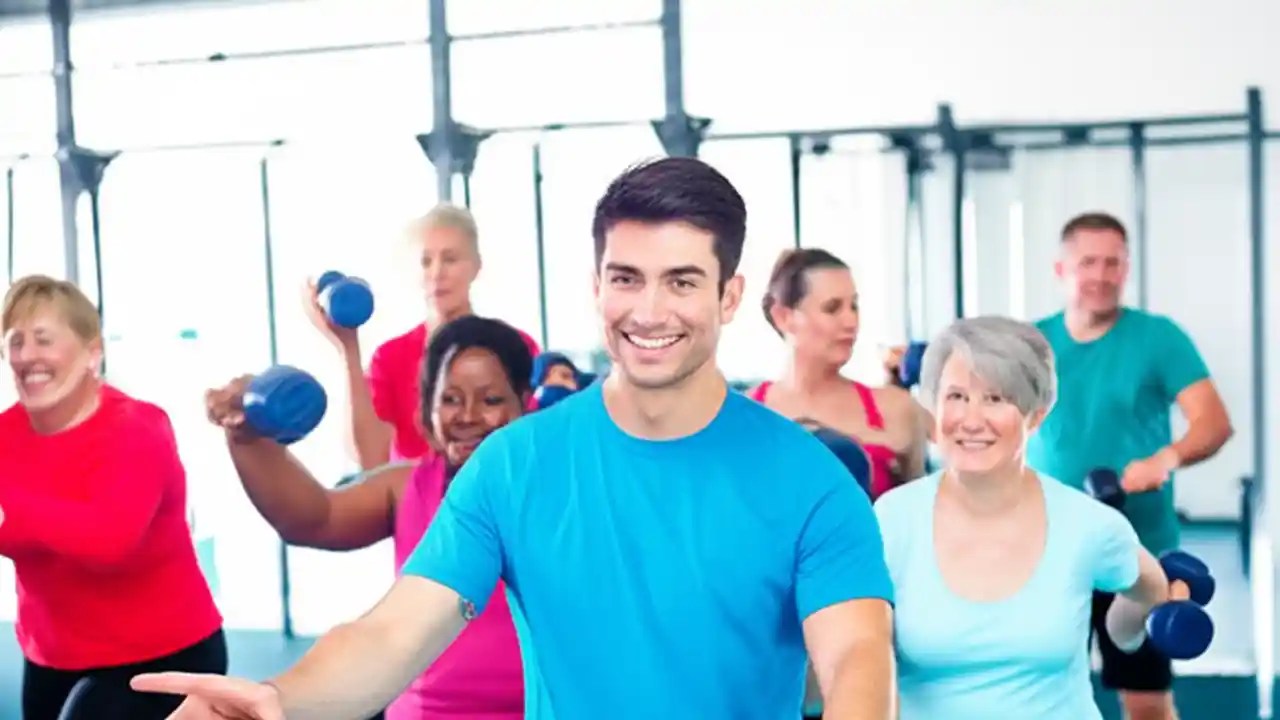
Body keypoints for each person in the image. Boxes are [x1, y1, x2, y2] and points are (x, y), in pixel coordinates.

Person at [132, 157, 897, 719]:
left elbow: (858, 658)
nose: (650, 309)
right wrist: (273, 700)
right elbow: (393, 634)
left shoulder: (810, 481)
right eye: (626, 277)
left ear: (729, 295)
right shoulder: (516, 463)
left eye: (683, 281)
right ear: (596, 284)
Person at [204, 315, 533, 719]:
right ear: (428, 406)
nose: (467, 415)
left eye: (491, 400)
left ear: (523, 401)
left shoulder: (559, 490)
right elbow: (312, 519)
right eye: (450, 399)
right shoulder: (407, 487)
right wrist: (248, 437)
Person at [875, 315, 1189, 719]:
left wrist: (1133, 623)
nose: (972, 420)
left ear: (1036, 415)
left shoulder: (1088, 525)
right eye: (956, 396)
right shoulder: (892, 520)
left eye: (996, 398)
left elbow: (1144, 602)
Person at [1026, 212, 1232, 719]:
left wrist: (1168, 456)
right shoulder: (1031, 344)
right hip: (1047, 550)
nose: (1100, 274)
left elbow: (1213, 421)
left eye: (1113, 263)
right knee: (1040, 700)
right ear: (1060, 268)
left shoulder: (1158, 338)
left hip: (1138, 552)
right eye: (1087, 262)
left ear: (1127, 268)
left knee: (1144, 703)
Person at [0, 275, 226, 720]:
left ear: (92, 353)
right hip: (53, 655)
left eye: (43, 340)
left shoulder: (137, 427)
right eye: (16, 342)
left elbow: (110, 540)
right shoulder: (6, 435)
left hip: (163, 656)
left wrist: (12, 510)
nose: (27, 356)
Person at [308, 203, 541, 469]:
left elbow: (534, 445)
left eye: (450, 259)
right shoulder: (390, 357)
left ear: (476, 266)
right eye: (426, 261)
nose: (437, 273)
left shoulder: (515, 346)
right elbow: (371, 458)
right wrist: (347, 349)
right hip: (420, 505)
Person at [751, 248, 928, 499]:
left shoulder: (897, 409)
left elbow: (918, 522)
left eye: (854, 306)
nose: (851, 322)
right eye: (832, 308)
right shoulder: (740, 416)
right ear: (783, 317)